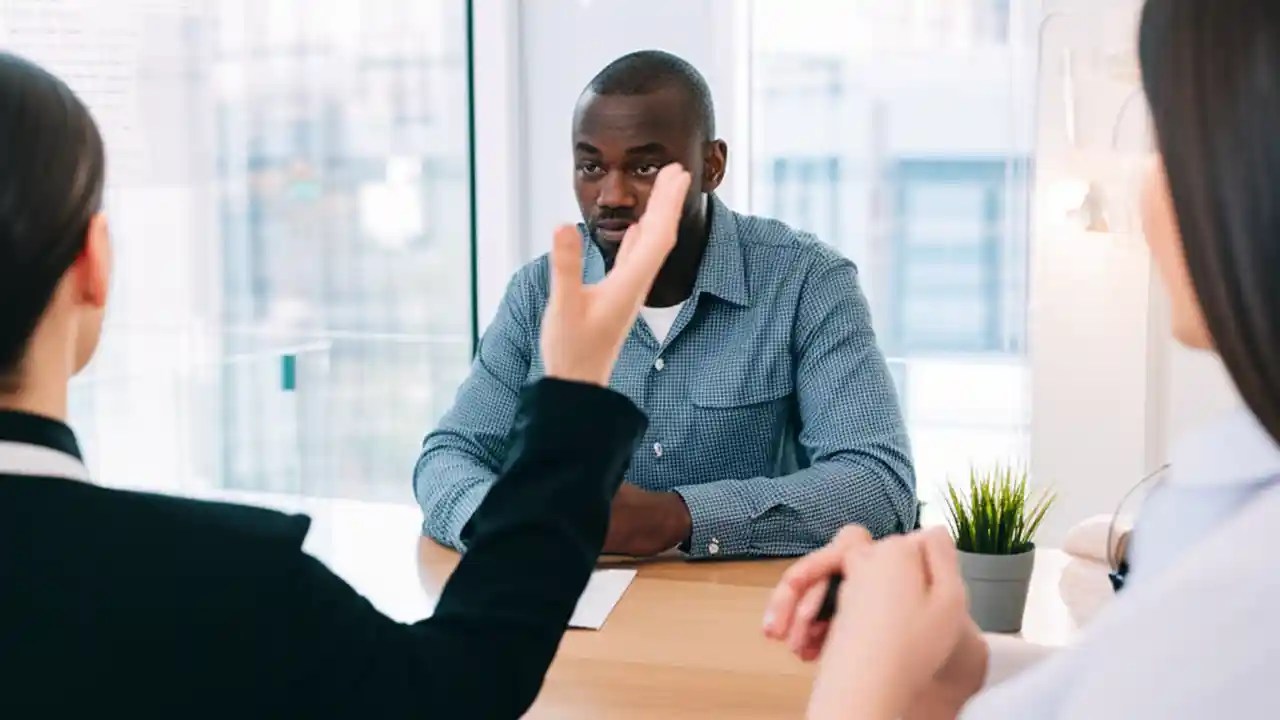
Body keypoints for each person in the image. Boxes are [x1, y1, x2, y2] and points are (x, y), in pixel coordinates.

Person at [0, 51, 692, 718]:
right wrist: (575, 386)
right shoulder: (227, 584)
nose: (611, 191)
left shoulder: (797, 273)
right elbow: (462, 685)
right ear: (95, 263)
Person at [762, 1, 1280, 717]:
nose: (1147, 187)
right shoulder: (1232, 510)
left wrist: (863, 689)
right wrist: (964, 667)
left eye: (1164, 139)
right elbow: (1127, 681)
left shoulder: (1251, 590)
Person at [415, 49, 915, 559]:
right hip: (567, 609)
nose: (611, 194)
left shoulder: (805, 281)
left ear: (712, 166)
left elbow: (878, 481)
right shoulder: (538, 293)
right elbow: (451, 455)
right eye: (591, 166)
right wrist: (504, 525)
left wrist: (675, 517)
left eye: (644, 167)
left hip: (743, 617)